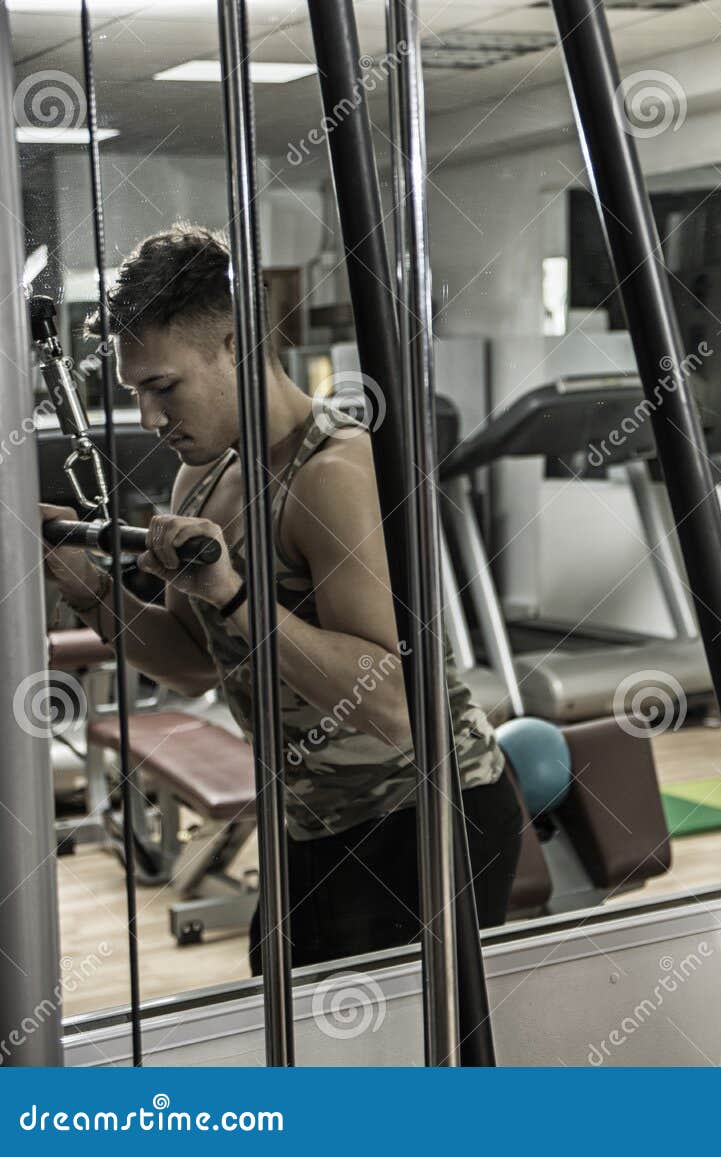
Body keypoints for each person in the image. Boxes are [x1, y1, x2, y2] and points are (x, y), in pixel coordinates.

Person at [40, 224, 522, 974]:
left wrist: (233, 594)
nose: (148, 418)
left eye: (162, 388)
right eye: (135, 392)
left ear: (234, 344)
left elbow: (391, 701)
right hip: (308, 826)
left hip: (425, 818)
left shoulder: (332, 471)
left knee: (391, 1077)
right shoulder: (200, 478)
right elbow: (200, 663)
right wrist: (92, 587)